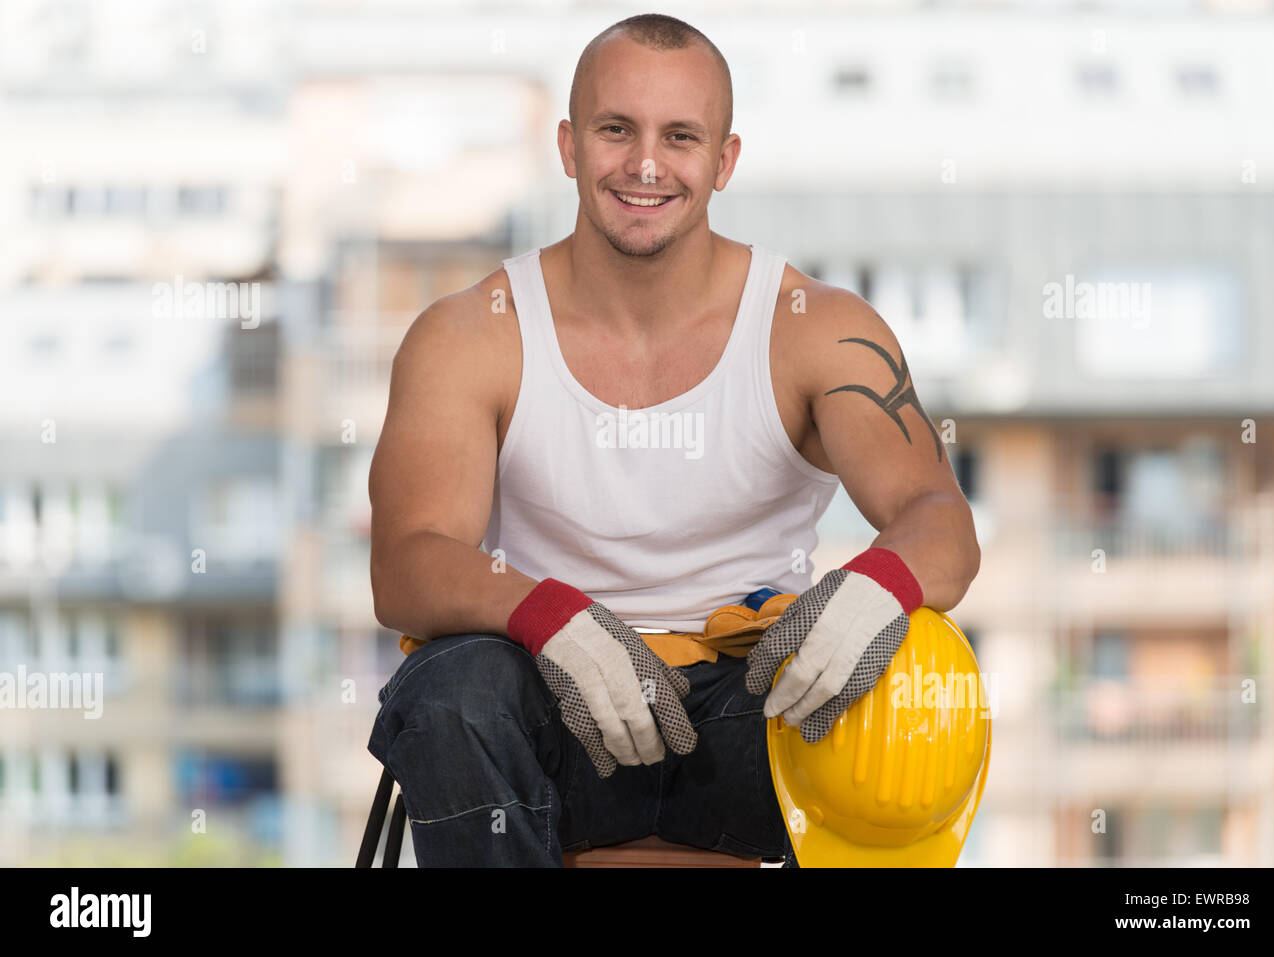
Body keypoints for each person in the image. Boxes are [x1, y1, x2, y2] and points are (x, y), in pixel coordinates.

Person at [365, 13, 980, 867]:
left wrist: (877, 585)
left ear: (724, 160)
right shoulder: (471, 333)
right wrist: (552, 615)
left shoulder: (817, 328)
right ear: (570, 144)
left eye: (680, 136)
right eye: (617, 129)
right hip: (549, 714)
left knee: (920, 668)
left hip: (755, 715)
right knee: (450, 692)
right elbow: (405, 564)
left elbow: (938, 514)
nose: (646, 164)